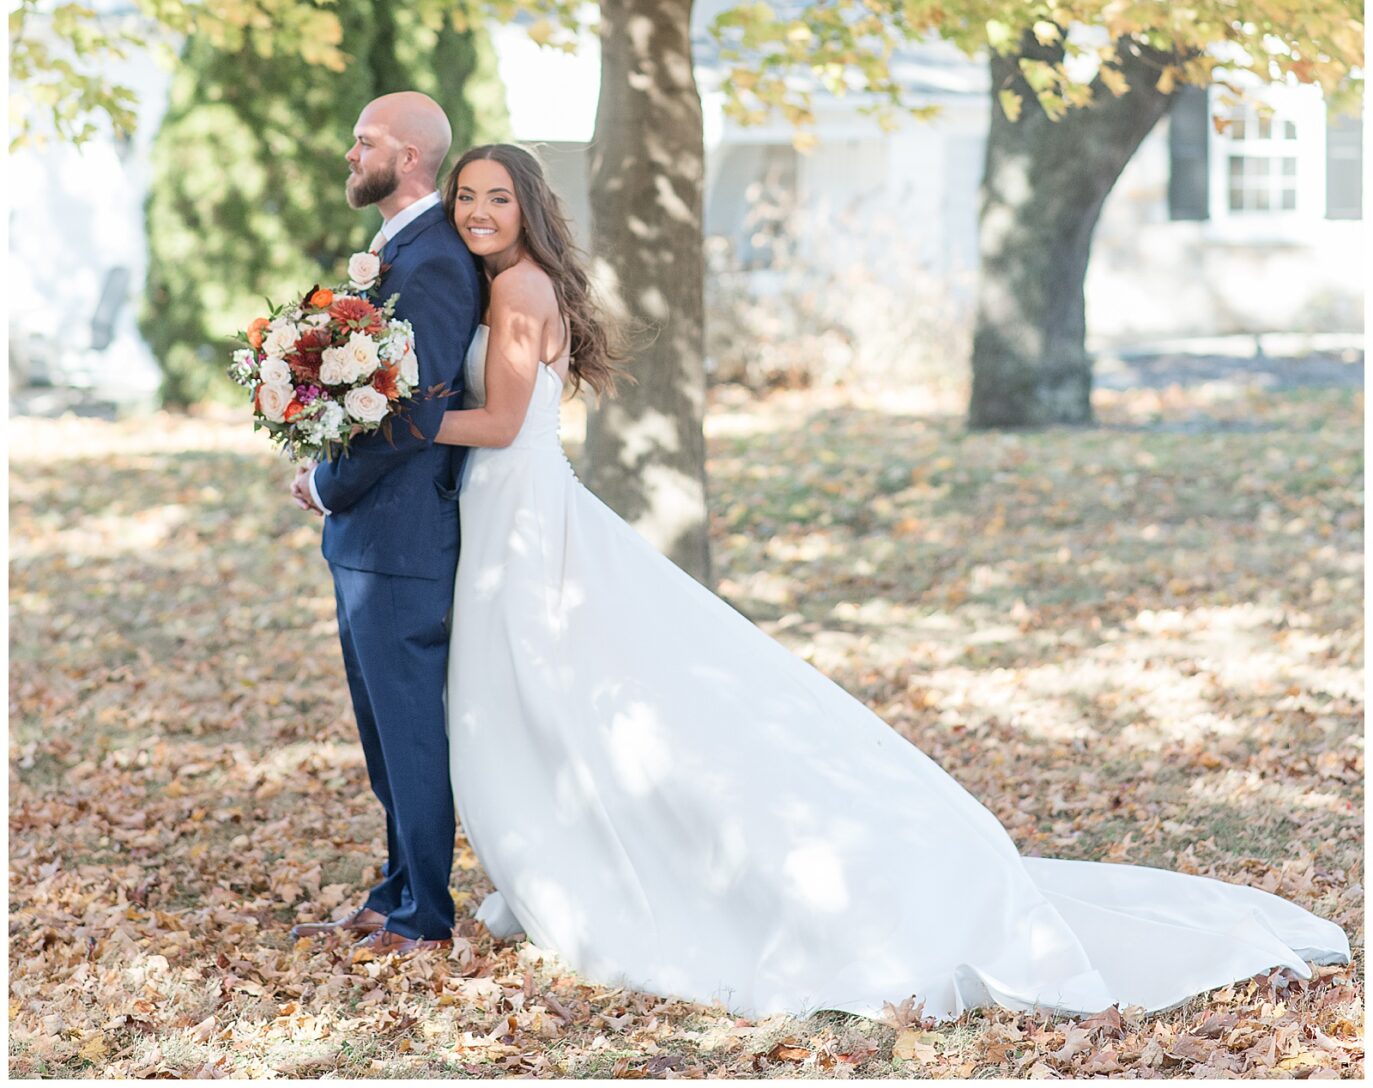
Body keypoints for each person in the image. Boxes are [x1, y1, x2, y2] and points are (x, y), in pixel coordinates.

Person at [429, 141, 1350, 1022]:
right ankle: (577, 864)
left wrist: (390, 419)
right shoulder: (505, 283)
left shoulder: (518, 285)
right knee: (553, 699)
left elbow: (503, 424)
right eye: (465, 196)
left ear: (527, 209)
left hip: (524, 508)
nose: (476, 211)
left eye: (495, 197)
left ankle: (607, 875)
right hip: (515, 509)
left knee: (551, 695)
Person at [289, 92, 481, 958]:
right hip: (368, 538)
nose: (346, 152)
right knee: (381, 733)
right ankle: (396, 887)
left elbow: (418, 408)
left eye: (360, 140)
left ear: (407, 156)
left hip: (399, 536)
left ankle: (425, 919)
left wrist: (331, 482)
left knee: (407, 733)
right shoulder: (395, 247)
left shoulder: (435, 258)